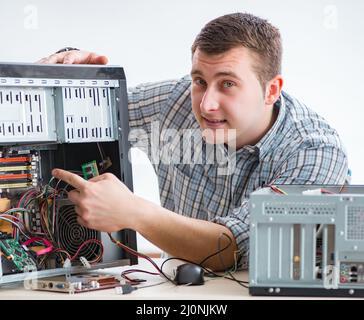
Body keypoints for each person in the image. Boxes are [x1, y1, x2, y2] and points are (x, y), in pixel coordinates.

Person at [40, 12, 348, 271]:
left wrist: (134, 212)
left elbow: (234, 248)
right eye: (200, 81)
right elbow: (86, 113)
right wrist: (71, 69)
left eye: (228, 84)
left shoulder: (316, 152)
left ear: (271, 90)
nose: (206, 105)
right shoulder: (175, 102)